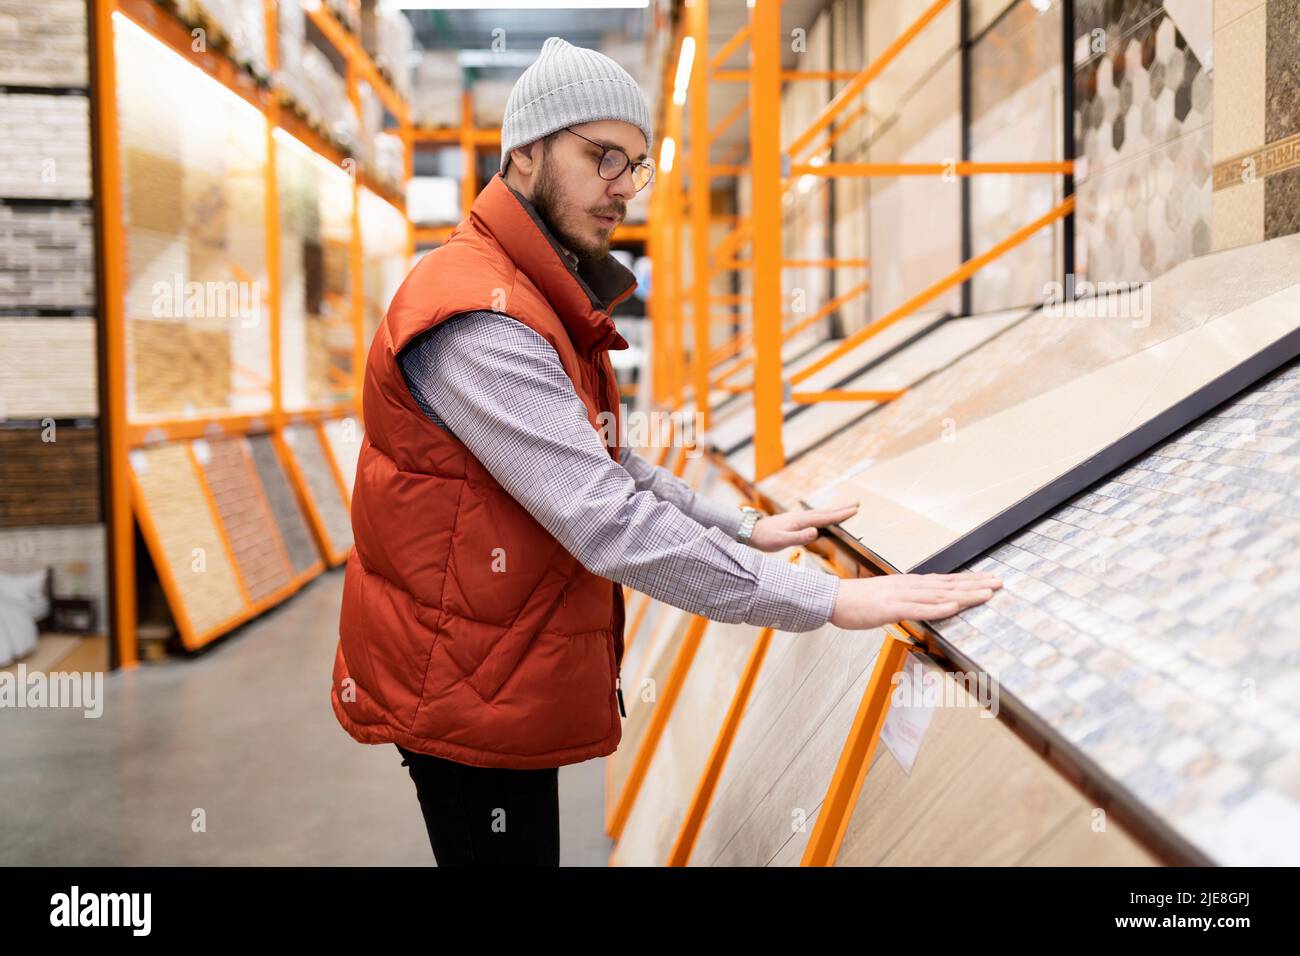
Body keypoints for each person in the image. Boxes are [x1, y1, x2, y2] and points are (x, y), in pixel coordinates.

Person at [330, 36, 1001, 867]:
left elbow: (610, 466)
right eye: (600, 156)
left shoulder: (536, 291)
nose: (622, 188)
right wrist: (826, 601)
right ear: (526, 150)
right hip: (460, 680)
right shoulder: (480, 318)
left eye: (635, 165)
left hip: (491, 661)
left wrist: (750, 529)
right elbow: (605, 518)